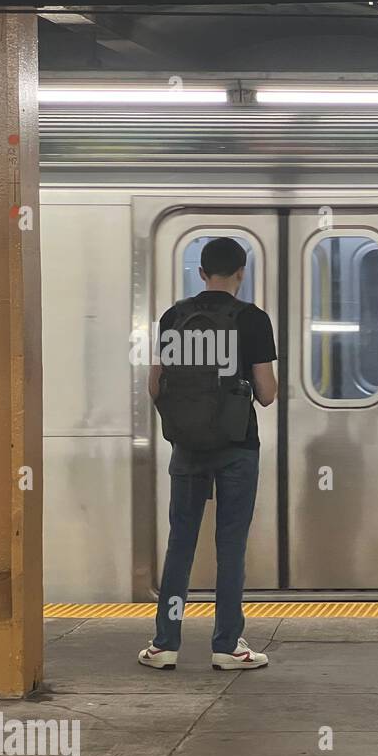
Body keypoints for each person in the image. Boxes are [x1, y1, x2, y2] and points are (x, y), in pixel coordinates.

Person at [138, 237, 277, 671]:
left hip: (187, 447)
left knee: (180, 543)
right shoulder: (253, 320)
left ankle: (165, 644)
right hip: (237, 448)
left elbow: (154, 386)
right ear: (241, 272)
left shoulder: (174, 317)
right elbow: (267, 394)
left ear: (201, 273)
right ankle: (227, 645)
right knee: (230, 547)